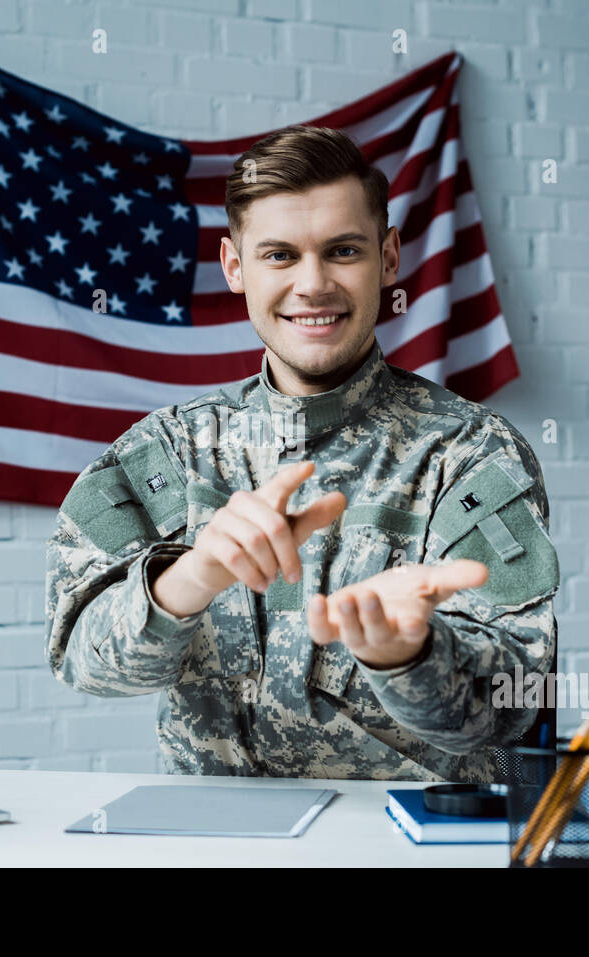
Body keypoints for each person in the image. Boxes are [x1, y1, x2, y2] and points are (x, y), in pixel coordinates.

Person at [45, 125, 559, 781]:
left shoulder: (472, 453)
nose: (313, 284)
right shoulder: (165, 452)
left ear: (390, 256)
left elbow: (519, 702)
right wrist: (190, 577)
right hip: (215, 839)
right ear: (236, 266)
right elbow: (82, 662)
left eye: (343, 250)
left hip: (400, 843)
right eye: (280, 255)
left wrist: (413, 655)